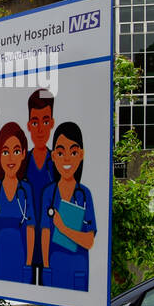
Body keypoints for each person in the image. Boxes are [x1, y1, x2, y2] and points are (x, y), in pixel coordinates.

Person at [40, 122, 96, 291]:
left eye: (73, 152)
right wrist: (46, 267)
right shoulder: (49, 193)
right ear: (53, 156)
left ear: (81, 154)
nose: (66, 158)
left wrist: (63, 228)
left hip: (78, 269)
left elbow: (89, 241)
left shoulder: (85, 194)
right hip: (54, 266)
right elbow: (44, 232)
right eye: (60, 152)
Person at [0, 122, 36, 285]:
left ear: (23, 154)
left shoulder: (26, 189)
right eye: (6, 152)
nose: (11, 158)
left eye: (16, 151)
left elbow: (30, 229)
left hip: (20, 256)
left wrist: (28, 264)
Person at [24, 89, 56, 284]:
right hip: (24, 247)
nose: (40, 129)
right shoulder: (21, 164)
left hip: (51, 246)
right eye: (35, 122)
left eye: (45, 121)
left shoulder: (58, 164)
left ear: (52, 123)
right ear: (29, 125)